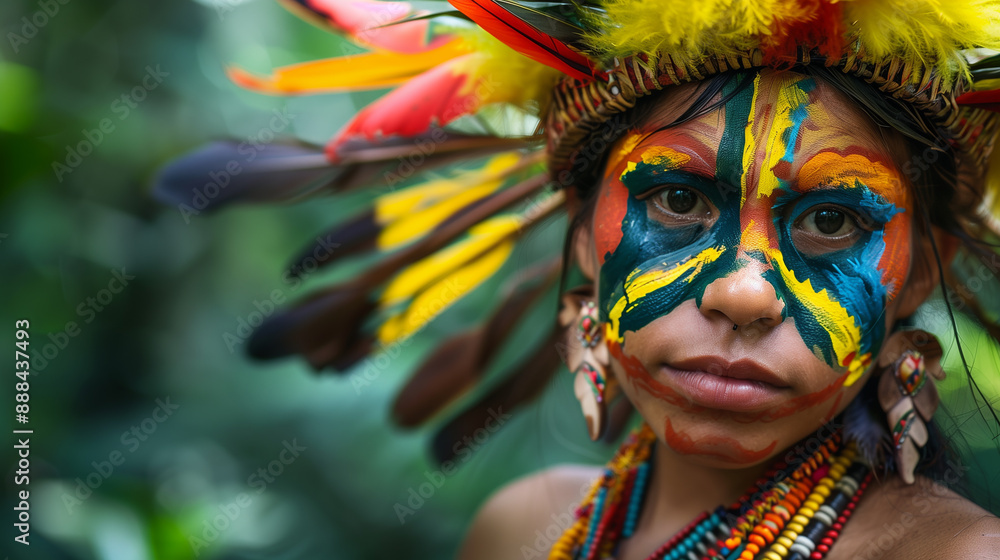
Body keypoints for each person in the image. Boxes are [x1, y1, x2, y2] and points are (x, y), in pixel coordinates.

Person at [156, 0, 1000, 558]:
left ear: (919, 269)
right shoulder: (522, 529)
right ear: (584, 234)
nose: (743, 295)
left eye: (831, 220)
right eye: (675, 198)